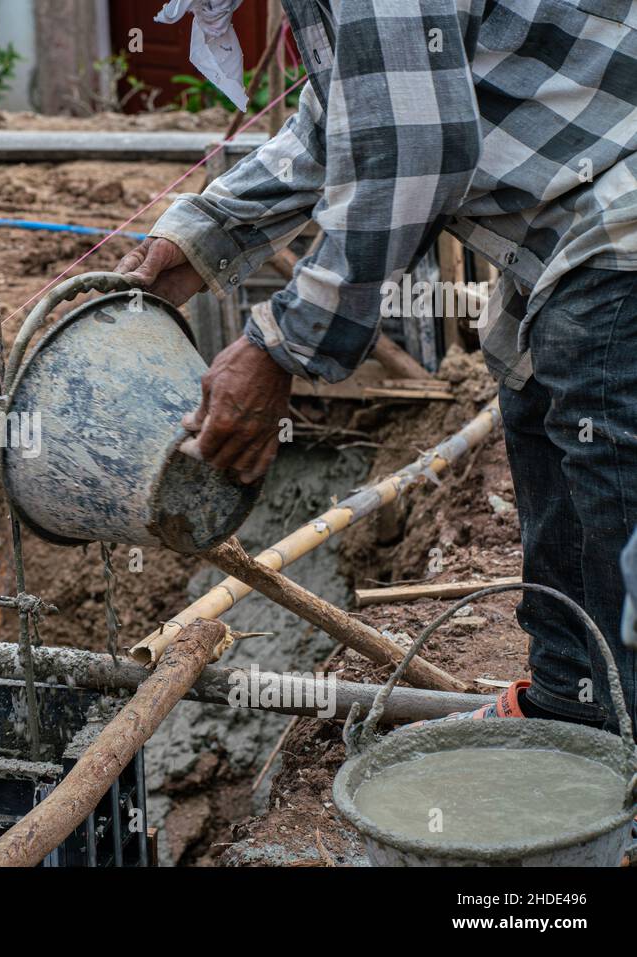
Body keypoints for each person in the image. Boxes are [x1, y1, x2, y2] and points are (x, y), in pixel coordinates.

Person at [116, 0, 637, 732]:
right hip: (579, 209)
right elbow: (339, 127)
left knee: (614, 479)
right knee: (541, 416)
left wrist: (279, 347)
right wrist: (203, 235)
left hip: (618, 202)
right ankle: (573, 702)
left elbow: (412, 153)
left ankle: (624, 766)